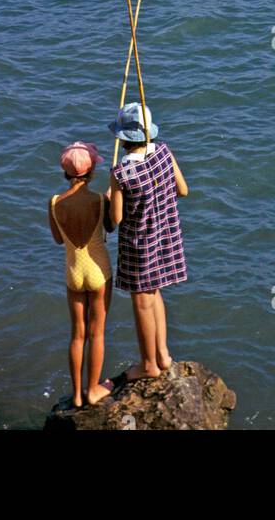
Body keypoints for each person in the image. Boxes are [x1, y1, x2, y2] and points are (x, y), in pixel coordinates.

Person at [108, 103, 188, 380]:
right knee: (155, 294)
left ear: (123, 138)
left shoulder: (121, 173)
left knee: (142, 300)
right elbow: (183, 190)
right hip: (165, 236)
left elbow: (116, 218)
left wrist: (111, 194)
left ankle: (148, 365)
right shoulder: (164, 152)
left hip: (138, 243)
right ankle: (163, 355)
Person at [48, 141, 114, 408]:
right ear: (90, 172)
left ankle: (76, 395)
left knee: (77, 335)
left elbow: (57, 240)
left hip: (73, 272)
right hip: (98, 270)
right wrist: (110, 199)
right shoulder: (99, 200)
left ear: (66, 173)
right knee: (97, 333)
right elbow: (110, 227)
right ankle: (93, 390)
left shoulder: (54, 203)